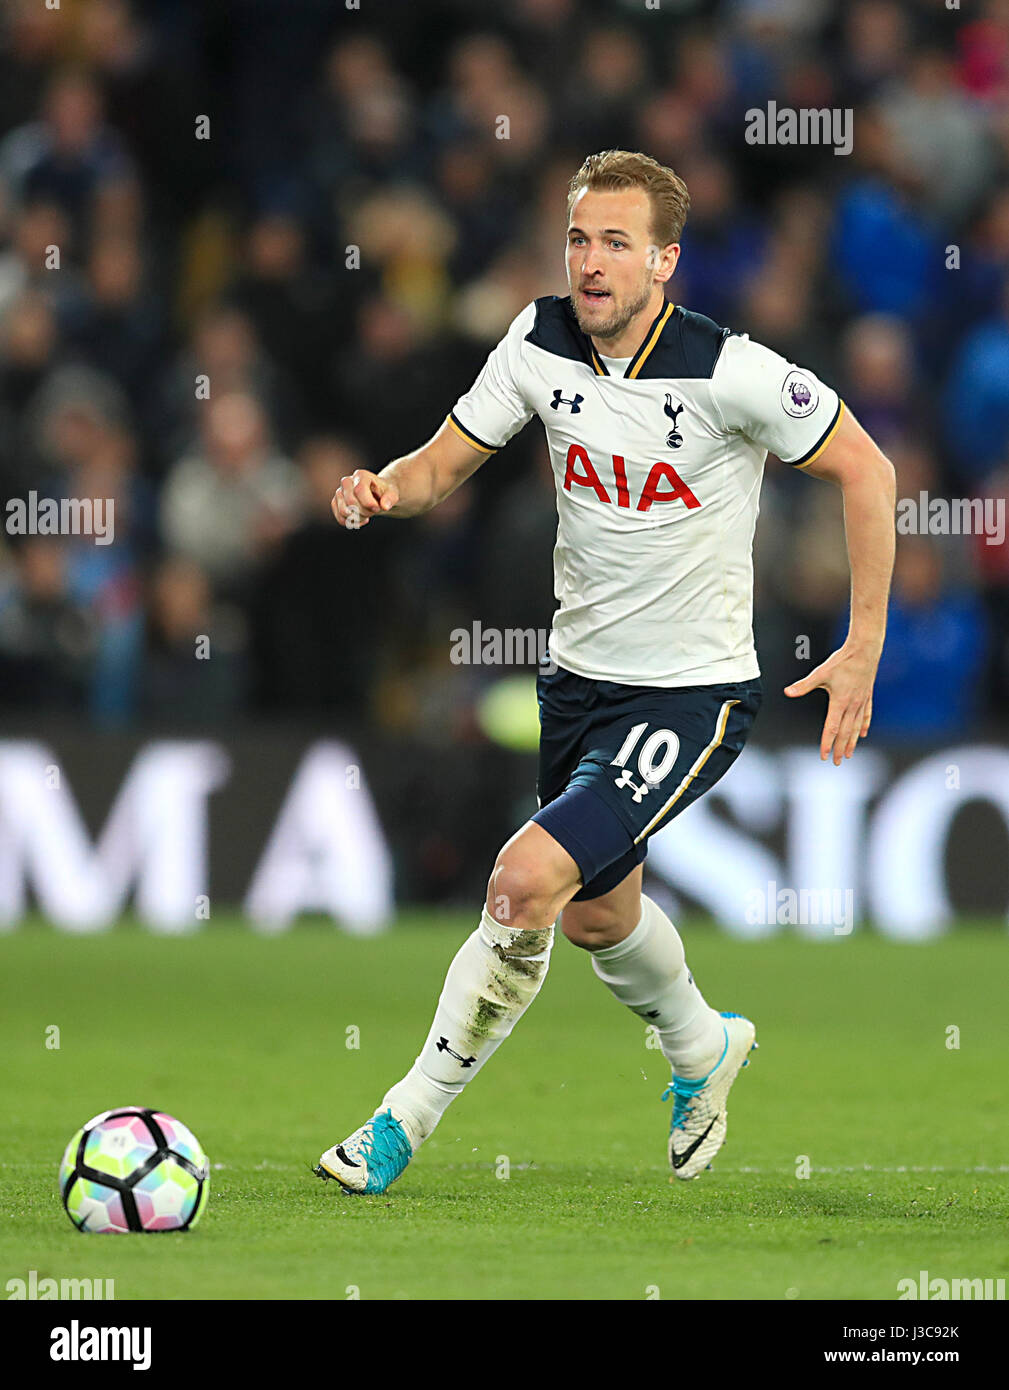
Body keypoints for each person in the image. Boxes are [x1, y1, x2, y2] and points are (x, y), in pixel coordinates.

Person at [318, 150, 896, 1194]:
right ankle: (702, 1047)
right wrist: (383, 488)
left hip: (693, 691)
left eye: (617, 243)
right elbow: (442, 465)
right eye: (579, 238)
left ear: (665, 261)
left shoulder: (730, 372)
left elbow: (869, 466)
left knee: (523, 880)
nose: (590, 261)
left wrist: (861, 644)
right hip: (577, 683)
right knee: (595, 914)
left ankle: (400, 1120)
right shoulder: (536, 342)